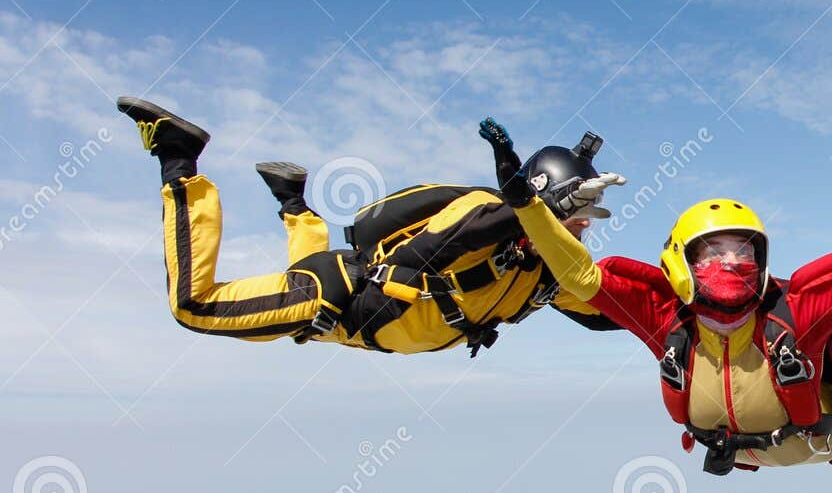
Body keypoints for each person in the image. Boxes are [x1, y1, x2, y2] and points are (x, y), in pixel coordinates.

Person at [505, 112, 832, 474]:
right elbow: (580, 276)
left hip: (824, 435)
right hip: (740, 450)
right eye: (712, 252)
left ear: (764, 261)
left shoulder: (795, 308)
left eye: (743, 252)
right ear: (681, 263)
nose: (730, 263)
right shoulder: (665, 316)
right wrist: (525, 206)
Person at [116, 97, 622, 354]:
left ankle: (294, 203)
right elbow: (432, 249)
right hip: (343, 298)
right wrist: (529, 209)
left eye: (583, 226)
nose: (578, 236)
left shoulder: (546, 276)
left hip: (355, 324)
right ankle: (178, 159)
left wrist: (687, 297)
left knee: (301, 322)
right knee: (193, 307)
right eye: (575, 220)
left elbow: (607, 312)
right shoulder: (481, 210)